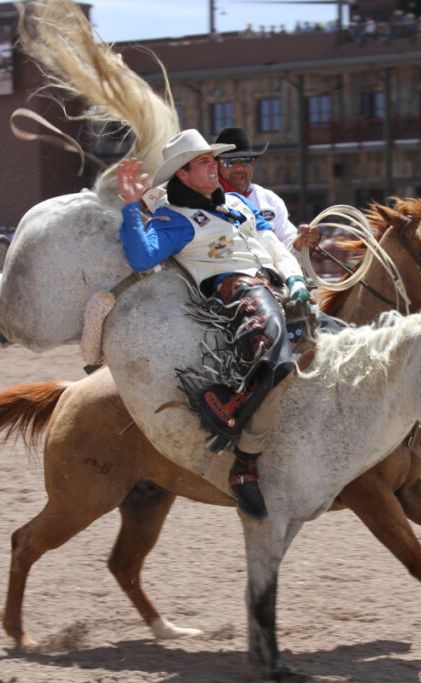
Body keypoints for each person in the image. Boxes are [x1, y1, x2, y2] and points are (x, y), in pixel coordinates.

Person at [117, 129, 312, 520]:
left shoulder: (239, 202)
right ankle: (244, 458)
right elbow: (141, 258)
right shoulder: (175, 218)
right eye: (205, 161)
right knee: (278, 357)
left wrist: (294, 277)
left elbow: (273, 245)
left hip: (277, 286)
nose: (215, 165)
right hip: (238, 293)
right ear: (183, 175)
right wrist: (129, 207)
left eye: (212, 159)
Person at [212, 127, 307, 249]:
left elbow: (287, 241)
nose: (239, 168)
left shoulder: (270, 200)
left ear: (253, 163)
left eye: (246, 160)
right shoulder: (206, 200)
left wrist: (299, 244)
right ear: (216, 165)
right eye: (229, 162)